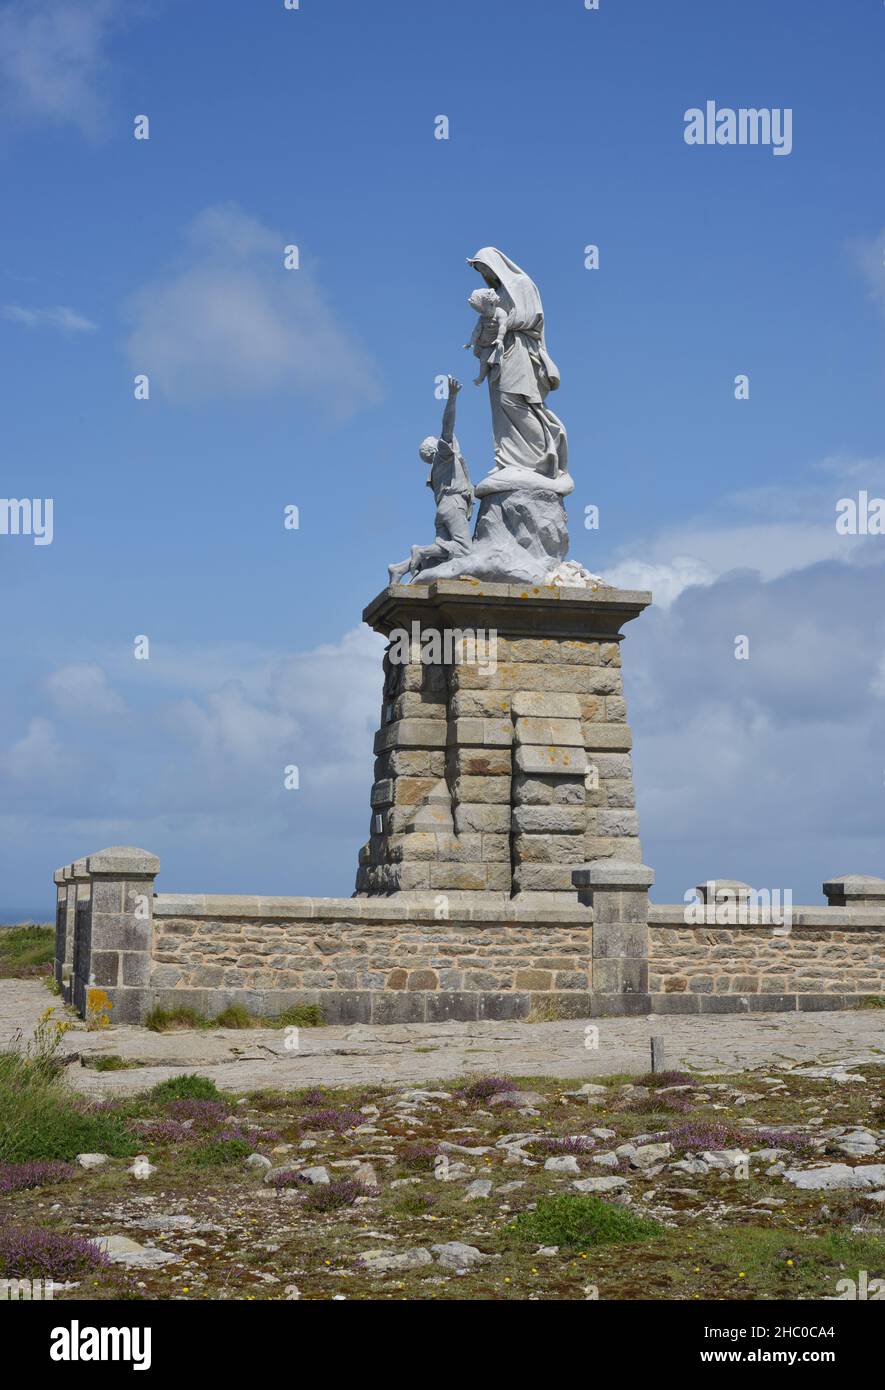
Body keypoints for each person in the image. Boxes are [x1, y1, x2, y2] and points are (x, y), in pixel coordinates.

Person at [467, 246, 569, 486]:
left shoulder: (521, 283)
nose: (483, 274)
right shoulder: (496, 291)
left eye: (483, 267)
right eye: (479, 270)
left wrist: (499, 325)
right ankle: (508, 459)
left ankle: (544, 452)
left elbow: (532, 316)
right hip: (497, 355)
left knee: (514, 399)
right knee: (499, 403)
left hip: (520, 350)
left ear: (494, 264)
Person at [387, 376, 474, 584]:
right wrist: (452, 398)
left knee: (443, 551)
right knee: (465, 550)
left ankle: (399, 568)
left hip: (443, 508)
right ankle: (421, 550)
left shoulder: (436, 471)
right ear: (436, 448)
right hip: (453, 505)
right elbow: (447, 426)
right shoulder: (444, 456)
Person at [464, 286, 507, 384]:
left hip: (494, 344)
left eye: (483, 310)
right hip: (485, 346)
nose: (482, 313)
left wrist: (499, 339)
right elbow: (477, 330)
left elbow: (503, 326)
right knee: (483, 361)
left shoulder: (500, 313)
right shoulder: (482, 318)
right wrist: (471, 342)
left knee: (488, 360)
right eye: (480, 312)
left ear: (492, 303)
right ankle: (481, 377)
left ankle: (485, 375)